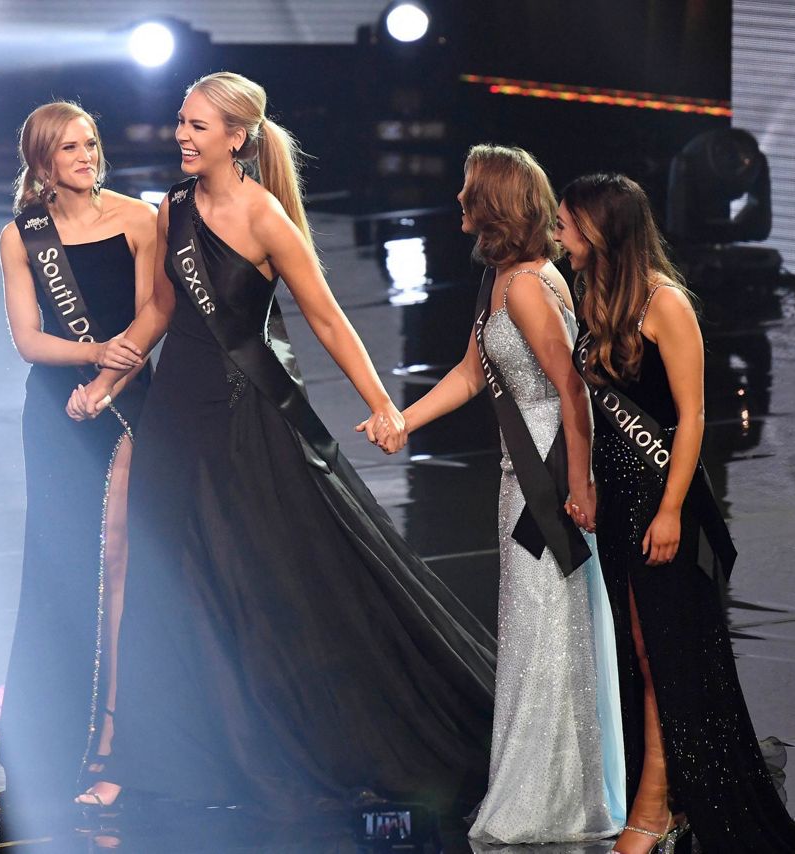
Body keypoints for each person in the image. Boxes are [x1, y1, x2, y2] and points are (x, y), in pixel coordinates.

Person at [69, 71, 496, 813]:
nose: (182, 135)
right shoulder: (172, 206)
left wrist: (383, 409)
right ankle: (152, 759)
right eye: (180, 122)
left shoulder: (265, 216)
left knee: (262, 582)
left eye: (198, 126)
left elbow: (327, 319)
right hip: (175, 413)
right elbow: (162, 310)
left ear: (237, 136)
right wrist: (108, 379)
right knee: (166, 580)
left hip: (247, 418)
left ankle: (272, 745)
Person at [557, 173, 795, 853]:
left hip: (665, 507)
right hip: (620, 505)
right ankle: (660, 800)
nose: (559, 236)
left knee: (670, 659)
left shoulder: (666, 303)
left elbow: (692, 419)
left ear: (601, 229)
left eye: (567, 225)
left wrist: (673, 510)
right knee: (642, 656)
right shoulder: (590, 294)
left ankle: (654, 810)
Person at [398, 145, 624, 843]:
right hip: (517, 475)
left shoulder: (528, 287)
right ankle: (538, 787)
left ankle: (554, 800)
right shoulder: (501, 278)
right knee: (532, 630)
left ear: (494, 204)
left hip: (547, 476)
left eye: (469, 195)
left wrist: (579, 485)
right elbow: (471, 376)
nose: (460, 207)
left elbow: (572, 391)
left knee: (550, 628)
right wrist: (401, 420)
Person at [0, 101, 154, 801]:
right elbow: (29, 339)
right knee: (60, 563)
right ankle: (54, 725)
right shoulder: (21, 236)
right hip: (54, 409)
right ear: (42, 164)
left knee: (118, 559)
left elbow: (153, 317)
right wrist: (92, 354)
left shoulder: (139, 221)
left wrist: (104, 382)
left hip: (122, 404)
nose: (86, 156)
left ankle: (113, 737)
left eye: (91, 142)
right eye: (69, 148)